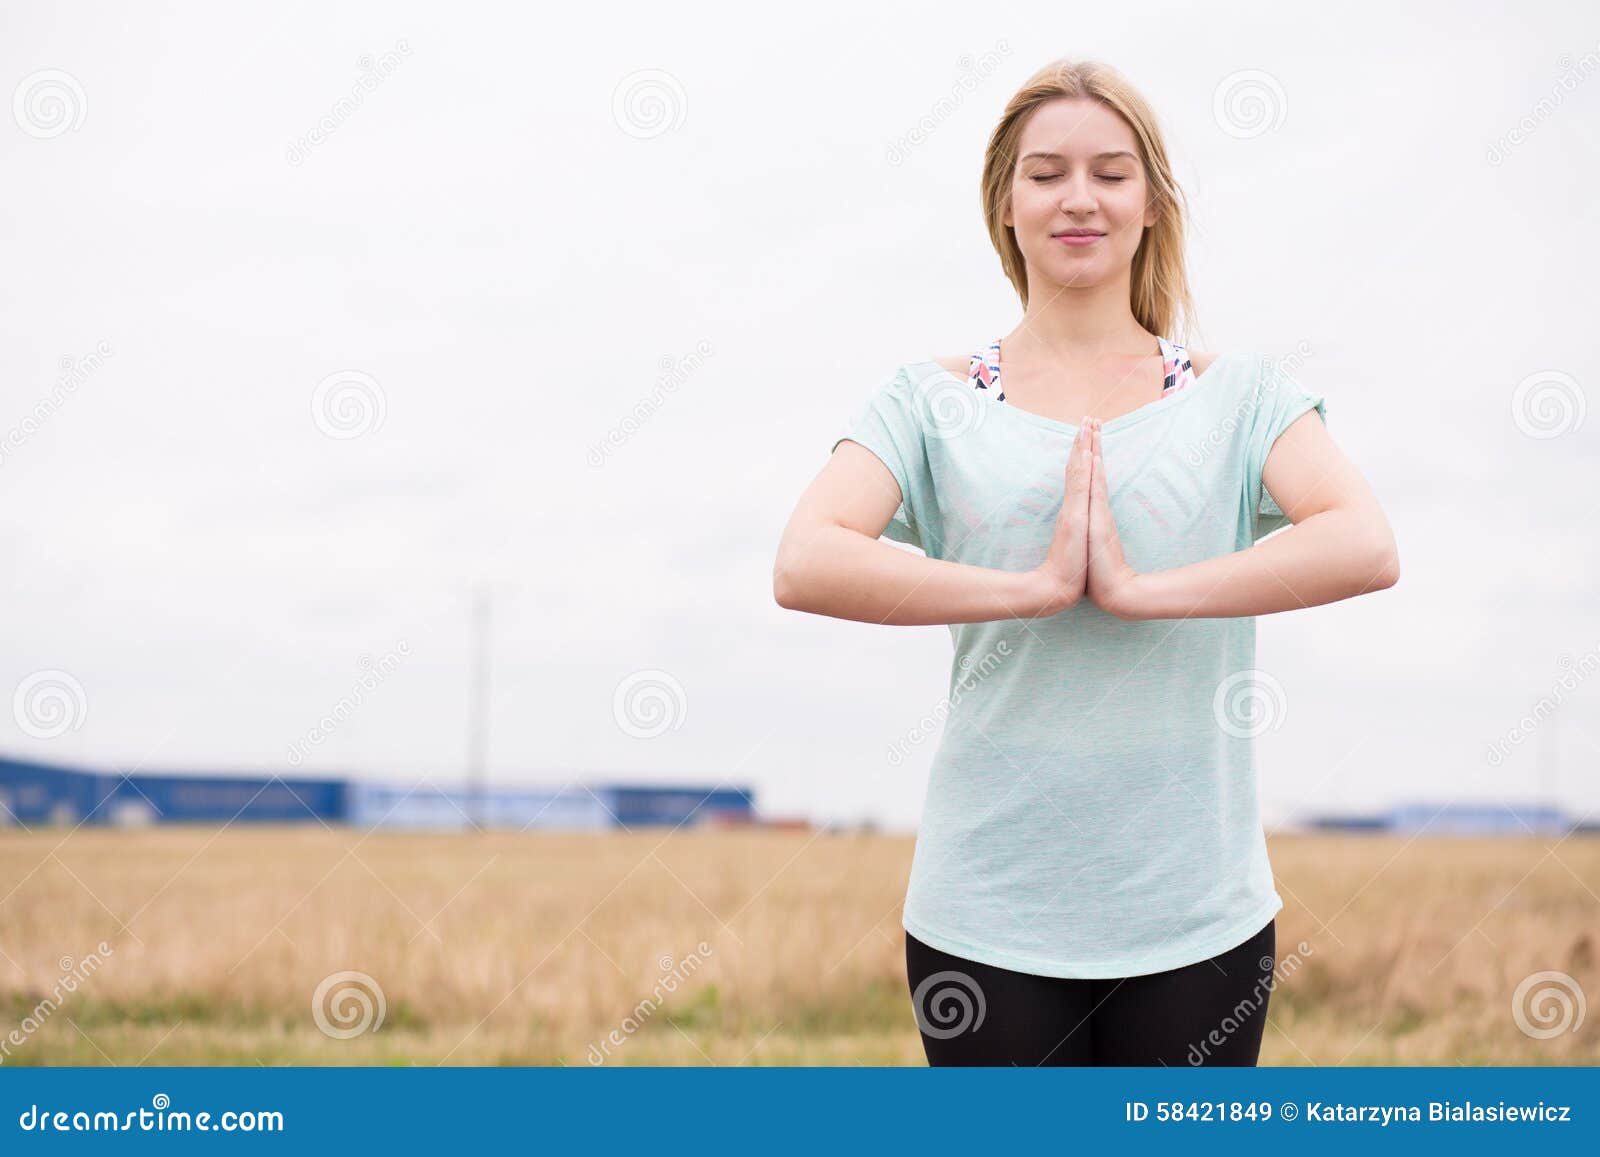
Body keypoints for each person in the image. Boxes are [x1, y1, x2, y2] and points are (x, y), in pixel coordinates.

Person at [771, 58, 1400, 1066]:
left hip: (1198, 915)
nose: (1078, 197)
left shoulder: (1234, 396)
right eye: (1045, 172)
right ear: (1004, 204)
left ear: (1151, 203)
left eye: (1110, 172)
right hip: (985, 915)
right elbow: (804, 558)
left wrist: (1144, 593)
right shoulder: (927, 399)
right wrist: (1029, 590)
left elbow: (1363, 540)